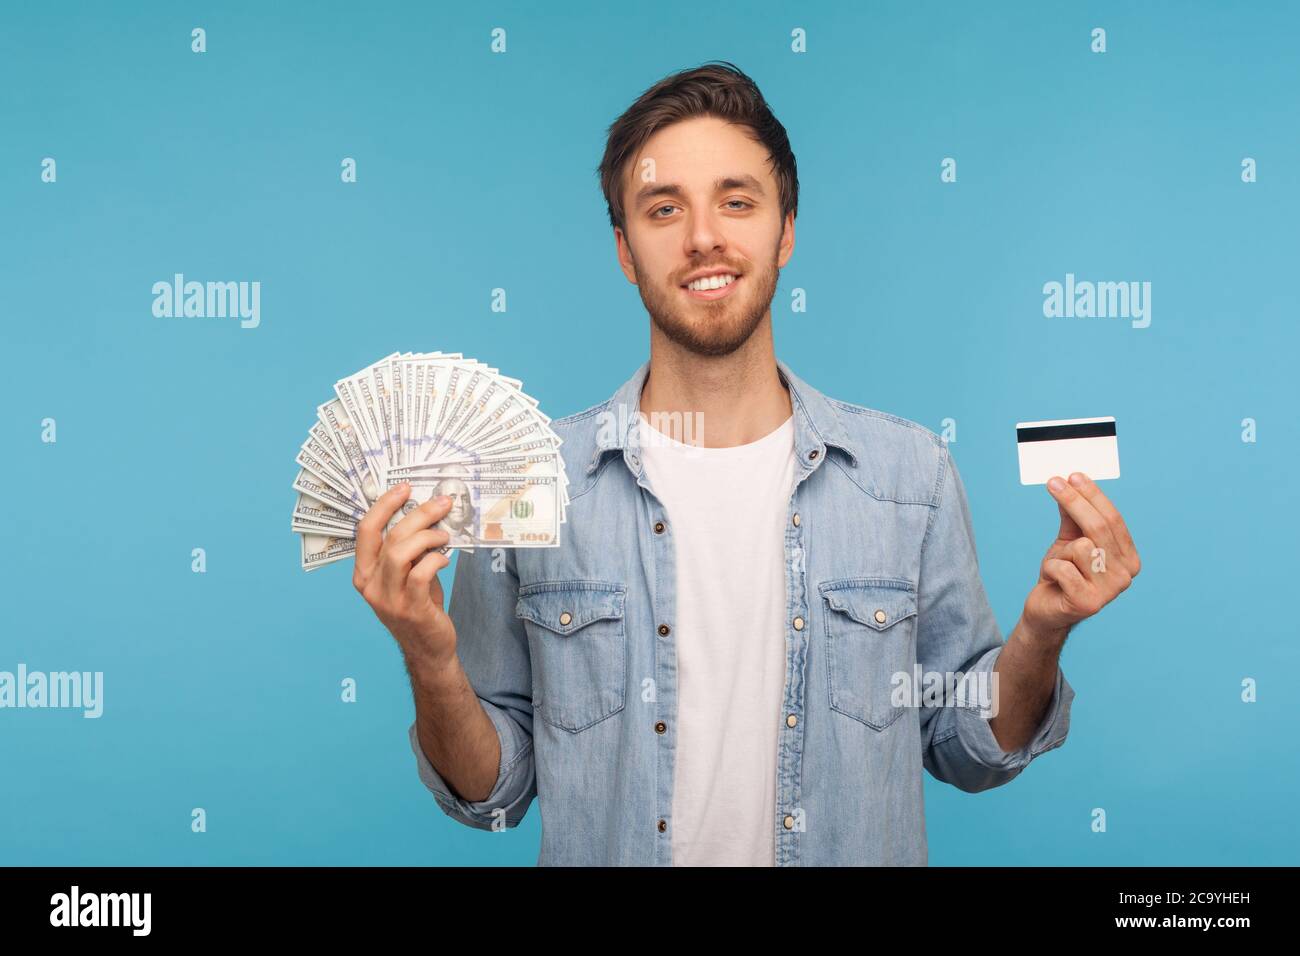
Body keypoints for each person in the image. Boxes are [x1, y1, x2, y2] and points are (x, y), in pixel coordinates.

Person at [351, 62, 1141, 866]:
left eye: (737, 201)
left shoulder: (911, 477)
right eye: (665, 209)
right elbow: (491, 796)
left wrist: (1043, 632)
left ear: (785, 230)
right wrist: (428, 654)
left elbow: (967, 750)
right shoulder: (527, 484)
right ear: (625, 250)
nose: (703, 237)